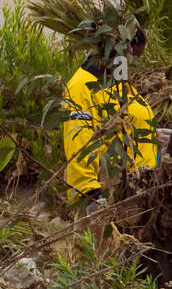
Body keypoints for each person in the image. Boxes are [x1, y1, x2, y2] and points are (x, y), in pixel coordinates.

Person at [61, 28, 167, 210]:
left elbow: (121, 123)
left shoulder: (117, 83)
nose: (131, 62)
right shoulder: (81, 87)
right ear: (113, 50)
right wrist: (90, 195)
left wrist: (152, 134)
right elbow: (78, 143)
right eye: (130, 55)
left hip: (141, 191)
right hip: (110, 194)